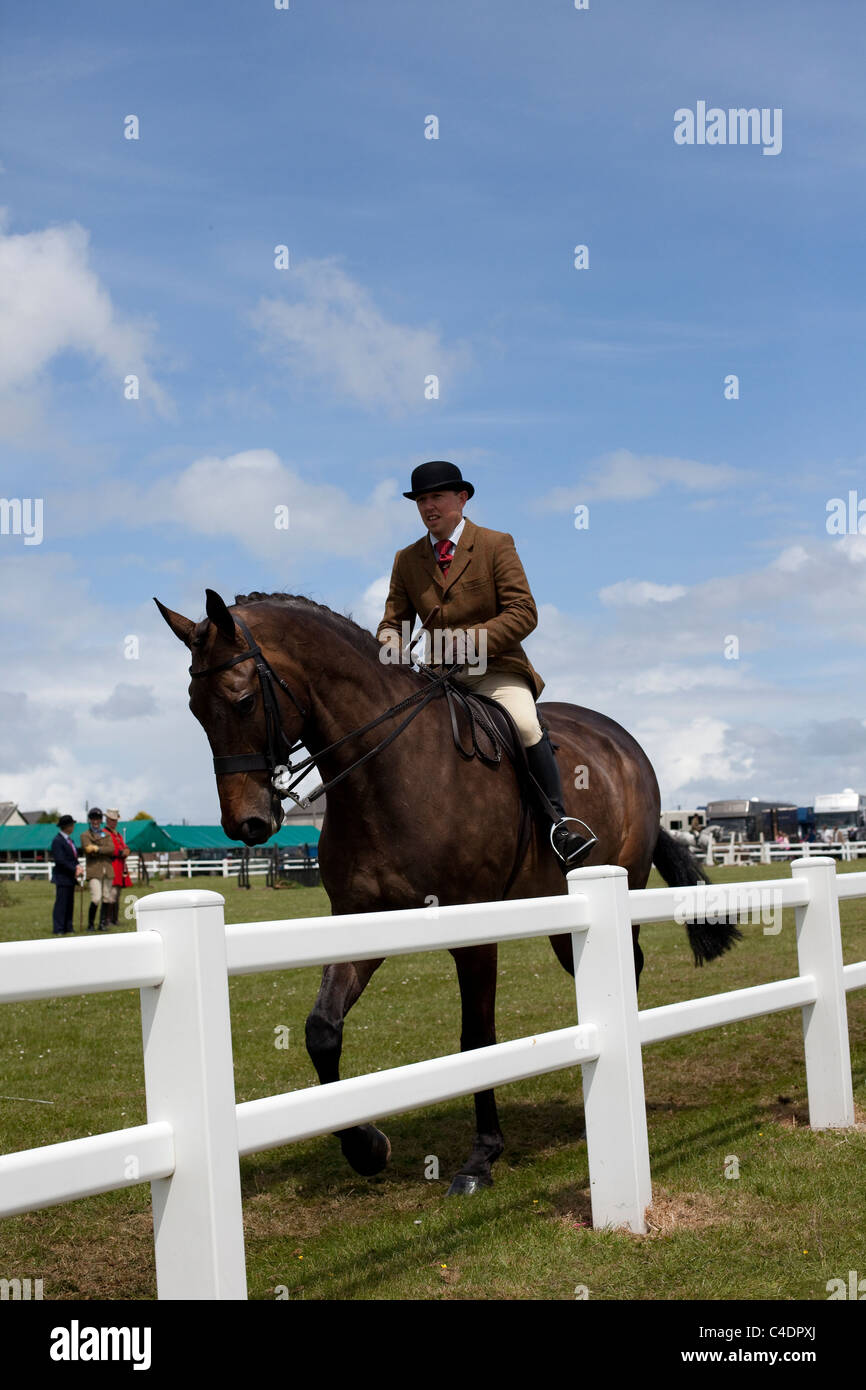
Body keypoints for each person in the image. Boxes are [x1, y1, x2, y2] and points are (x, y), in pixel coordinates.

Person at [376, 460, 597, 871]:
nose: (429, 507)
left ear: (462, 498)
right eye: (421, 500)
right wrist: (392, 645)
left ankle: (558, 825)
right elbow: (394, 622)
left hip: (495, 670)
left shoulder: (496, 543)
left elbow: (523, 612)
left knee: (526, 725)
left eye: (437, 497)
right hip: (438, 679)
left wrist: (470, 640)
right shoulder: (406, 560)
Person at [80, 807, 116, 930]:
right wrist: (100, 849)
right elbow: (88, 849)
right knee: (96, 898)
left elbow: (111, 849)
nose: (96, 821)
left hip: (107, 870)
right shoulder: (85, 835)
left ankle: (102, 923)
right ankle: (90, 924)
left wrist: (98, 849)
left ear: (101, 820)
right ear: (90, 820)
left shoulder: (106, 834)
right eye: (93, 819)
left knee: (106, 897)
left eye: (98, 819)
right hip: (94, 870)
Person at [50, 815, 81, 935]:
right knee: (61, 903)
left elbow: (73, 858)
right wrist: (74, 869)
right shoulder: (57, 841)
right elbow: (60, 860)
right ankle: (58, 928)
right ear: (66, 826)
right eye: (72, 825)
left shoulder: (70, 840)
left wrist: (78, 866)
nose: (73, 827)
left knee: (69, 903)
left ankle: (68, 926)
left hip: (70, 877)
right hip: (62, 876)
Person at [104, 808, 132, 925]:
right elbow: (109, 849)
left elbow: (125, 846)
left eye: (115, 820)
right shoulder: (105, 833)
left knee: (117, 894)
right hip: (112, 865)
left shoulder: (117, 834)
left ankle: (115, 918)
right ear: (107, 820)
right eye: (112, 820)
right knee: (111, 894)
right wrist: (121, 852)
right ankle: (108, 919)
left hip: (119, 867)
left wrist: (126, 850)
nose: (114, 822)